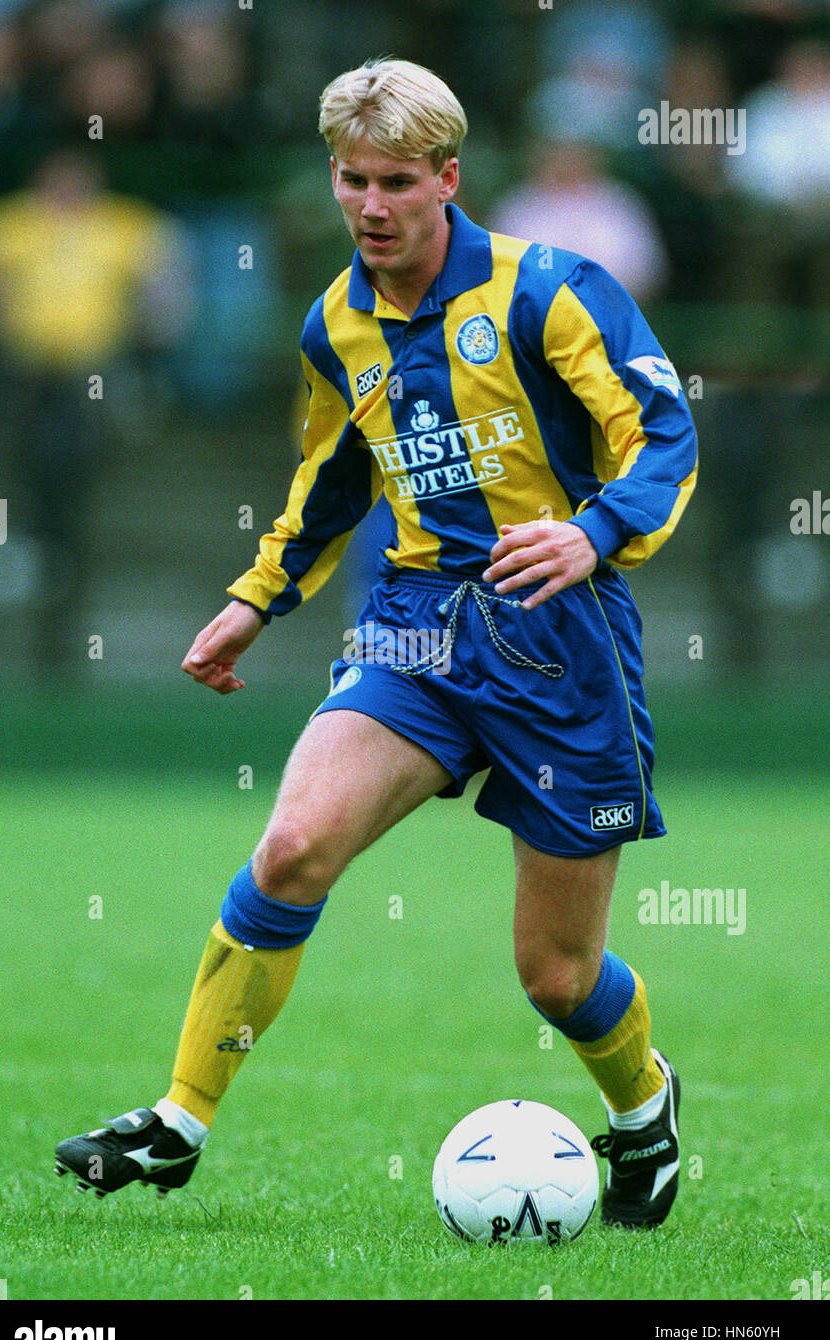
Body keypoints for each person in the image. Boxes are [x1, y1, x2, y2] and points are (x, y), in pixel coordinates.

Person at [55, 58, 697, 1230]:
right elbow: (331, 475)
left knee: (553, 976)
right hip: (411, 630)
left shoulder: (550, 288)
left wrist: (592, 533)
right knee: (294, 842)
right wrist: (258, 595)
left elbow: (660, 430)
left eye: (397, 181)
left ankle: (643, 1106)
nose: (371, 206)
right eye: (351, 180)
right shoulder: (333, 322)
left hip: (564, 648)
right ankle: (181, 1118)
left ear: (448, 178)